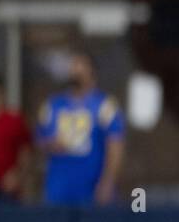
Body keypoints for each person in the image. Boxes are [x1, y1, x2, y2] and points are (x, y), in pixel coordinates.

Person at [36, 52, 125, 206]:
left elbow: (116, 145)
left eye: (80, 66)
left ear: (91, 71)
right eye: (73, 65)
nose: (74, 70)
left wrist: (108, 181)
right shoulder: (53, 105)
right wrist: (49, 145)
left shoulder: (104, 106)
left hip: (91, 187)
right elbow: (39, 139)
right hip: (58, 188)